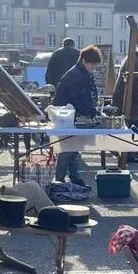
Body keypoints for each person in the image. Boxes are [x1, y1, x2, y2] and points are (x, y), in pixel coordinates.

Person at [52, 45, 102, 186]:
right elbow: (80, 100)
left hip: (68, 115)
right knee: (67, 148)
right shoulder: (76, 76)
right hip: (64, 116)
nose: (94, 68)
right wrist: (94, 112)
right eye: (92, 65)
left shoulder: (80, 73)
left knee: (73, 148)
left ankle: (72, 177)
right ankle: (60, 180)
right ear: (85, 61)